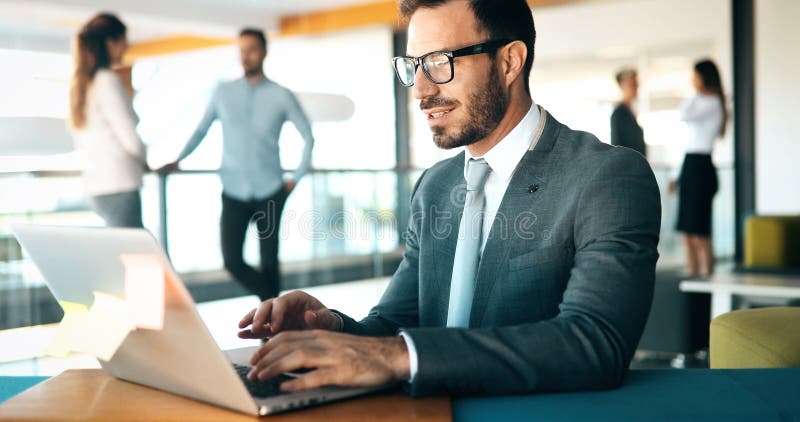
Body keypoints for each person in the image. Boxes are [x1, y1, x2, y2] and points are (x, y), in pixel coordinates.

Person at [237, 0, 661, 397]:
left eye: (440, 62)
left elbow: (594, 344)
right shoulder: (435, 186)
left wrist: (400, 356)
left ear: (510, 61)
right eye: (413, 65)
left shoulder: (606, 176)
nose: (420, 90)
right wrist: (330, 326)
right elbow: (395, 326)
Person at [158, 28, 315, 301]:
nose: (246, 56)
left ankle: (272, 326)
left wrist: (295, 178)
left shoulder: (281, 95)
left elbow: (307, 137)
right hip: (233, 190)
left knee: (269, 261)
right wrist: (178, 159)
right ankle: (276, 304)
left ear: (264, 51)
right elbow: (201, 130)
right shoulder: (223, 91)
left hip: (271, 191)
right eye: (241, 50)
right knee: (231, 261)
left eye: (251, 49)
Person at [69, 13, 147, 228]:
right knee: (133, 253)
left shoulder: (83, 84)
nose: (126, 48)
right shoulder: (107, 81)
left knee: (121, 252)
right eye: (124, 41)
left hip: (97, 186)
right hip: (119, 183)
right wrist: (144, 159)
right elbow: (129, 137)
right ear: (111, 42)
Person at [669, 59, 726, 277]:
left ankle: (706, 280)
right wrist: (677, 174)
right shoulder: (705, 101)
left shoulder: (711, 102)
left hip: (700, 168)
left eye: (695, 76)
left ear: (704, 76)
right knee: (688, 232)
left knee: (700, 233)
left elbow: (683, 114)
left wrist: (693, 93)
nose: (693, 80)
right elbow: (687, 141)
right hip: (691, 166)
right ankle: (692, 278)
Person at [610, 68, 646, 157]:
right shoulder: (618, 114)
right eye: (632, 84)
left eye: (637, 84)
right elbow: (617, 145)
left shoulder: (630, 111)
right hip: (629, 166)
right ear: (622, 86)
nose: (636, 88)